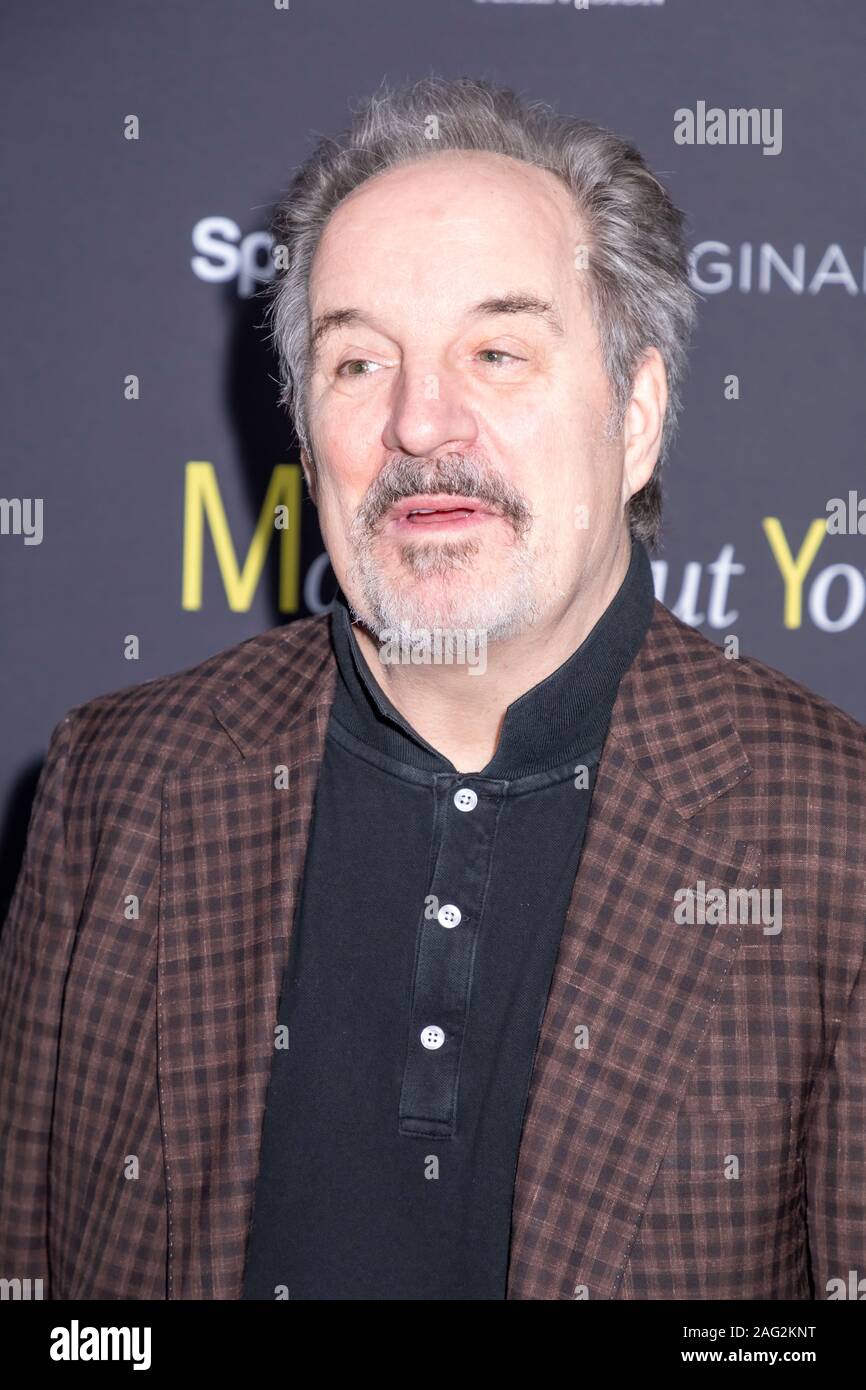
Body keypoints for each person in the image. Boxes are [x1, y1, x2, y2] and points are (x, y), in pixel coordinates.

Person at [1, 76, 864, 1301]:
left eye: (495, 351)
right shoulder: (118, 781)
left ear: (635, 416)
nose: (419, 423)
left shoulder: (834, 835)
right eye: (358, 363)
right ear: (307, 438)